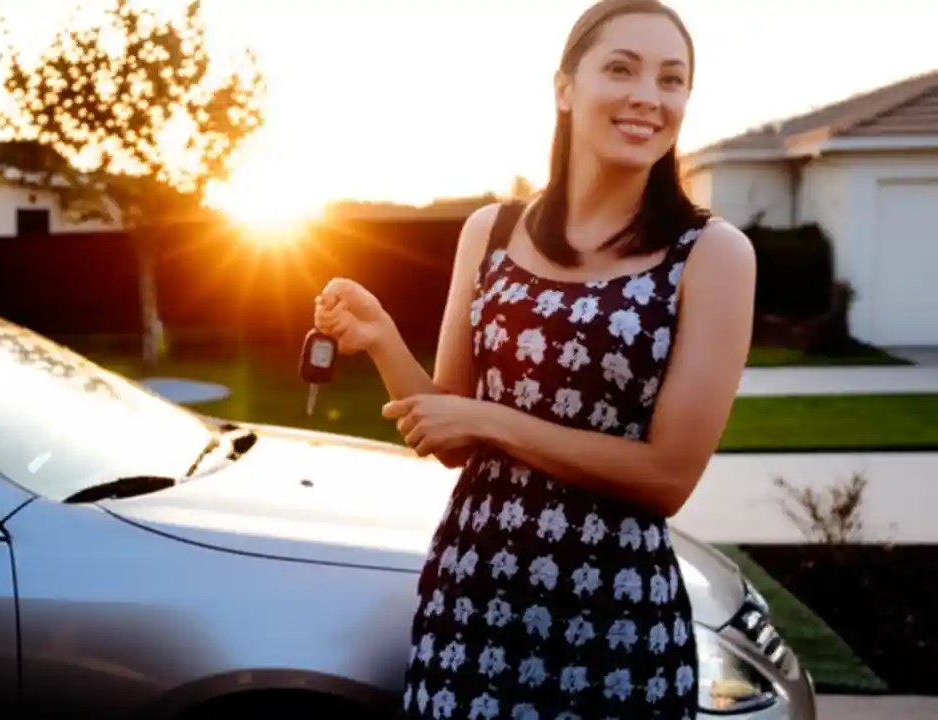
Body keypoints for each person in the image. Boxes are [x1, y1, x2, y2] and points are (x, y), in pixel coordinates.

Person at [313, 1, 756, 717]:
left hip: (612, 625)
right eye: (622, 68)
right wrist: (384, 339)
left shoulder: (711, 255)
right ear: (565, 87)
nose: (650, 95)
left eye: (672, 80)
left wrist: (489, 421)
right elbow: (450, 431)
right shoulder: (491, 231)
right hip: (471, 607)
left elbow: (667, 477)